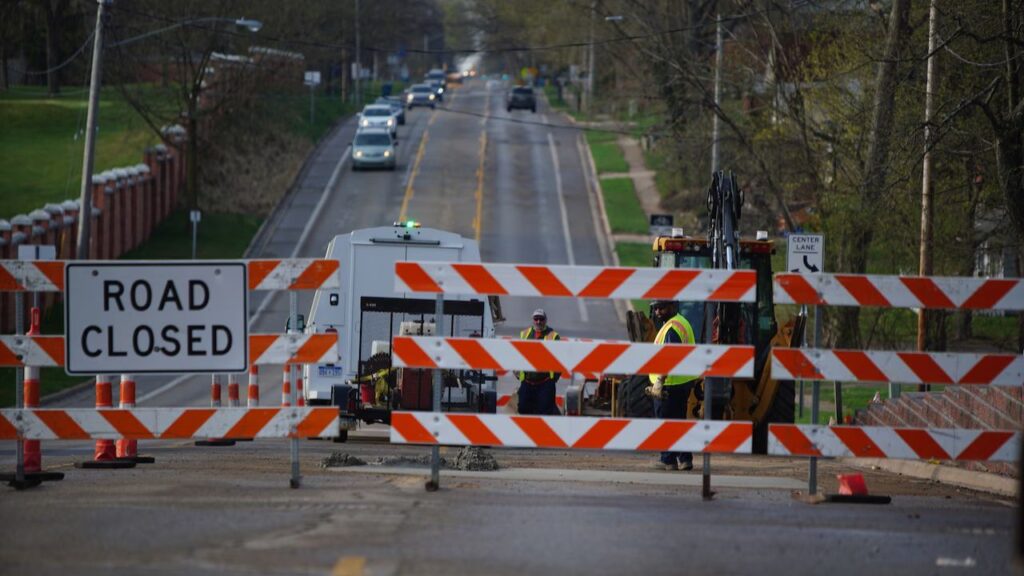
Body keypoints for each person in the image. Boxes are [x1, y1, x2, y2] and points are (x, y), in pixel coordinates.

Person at [648, 300, 698, 471]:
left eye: (661, 308)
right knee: (679, 422)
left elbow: (671, 357)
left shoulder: (672, 328)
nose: (657, 312)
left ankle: (668, 459)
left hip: (670, 384)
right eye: (655, 308)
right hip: (682, 382)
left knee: (666, 422)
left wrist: (660, 382)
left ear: (672, 306)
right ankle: (685, 459)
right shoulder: (682, 323)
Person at [516, 308, 561, 415]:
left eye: (541, 319)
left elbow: (559, 359)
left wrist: (553, 378)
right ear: (533, 320)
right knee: (523, 409)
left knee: (545, 412)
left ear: (545, 320)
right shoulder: (524, 334)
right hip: (527, 382)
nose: (538, 322)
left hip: (545, 383)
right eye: (536, 319)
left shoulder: (553, 336)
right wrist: (517, 373)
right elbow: (517, 355)